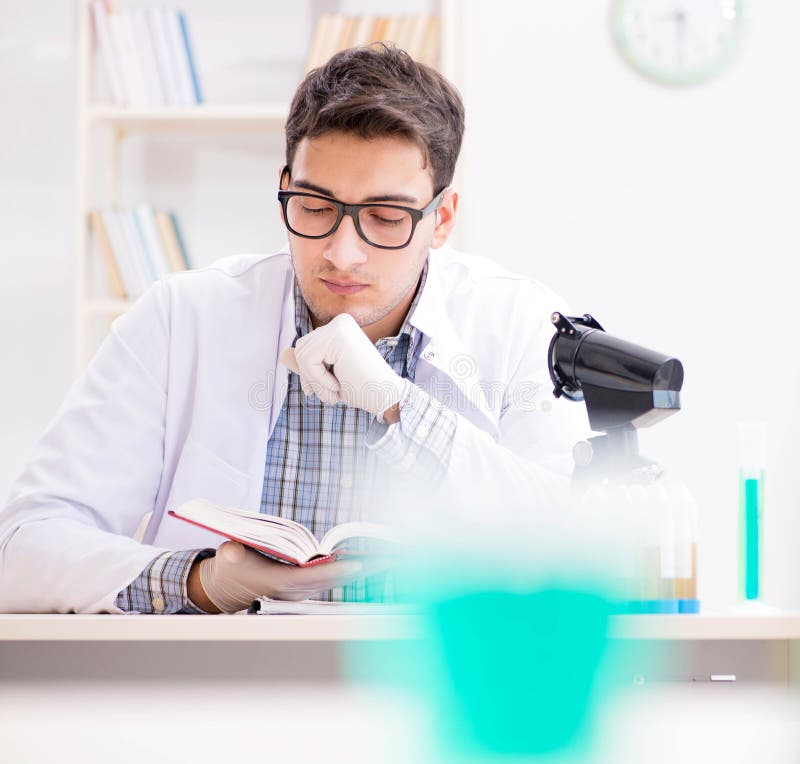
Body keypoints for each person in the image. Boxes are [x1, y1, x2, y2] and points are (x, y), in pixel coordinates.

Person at [0, 44, 587, 614]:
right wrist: (203, 582)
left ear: (443, 218)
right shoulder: (181, 317)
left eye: (385, 217)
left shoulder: (521, 324)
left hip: (435, 690)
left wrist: (399, 407)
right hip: (213, 693)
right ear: (284, 188)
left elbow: (573, 543)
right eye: (314, 207)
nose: (342, 252)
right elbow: (24, 547)